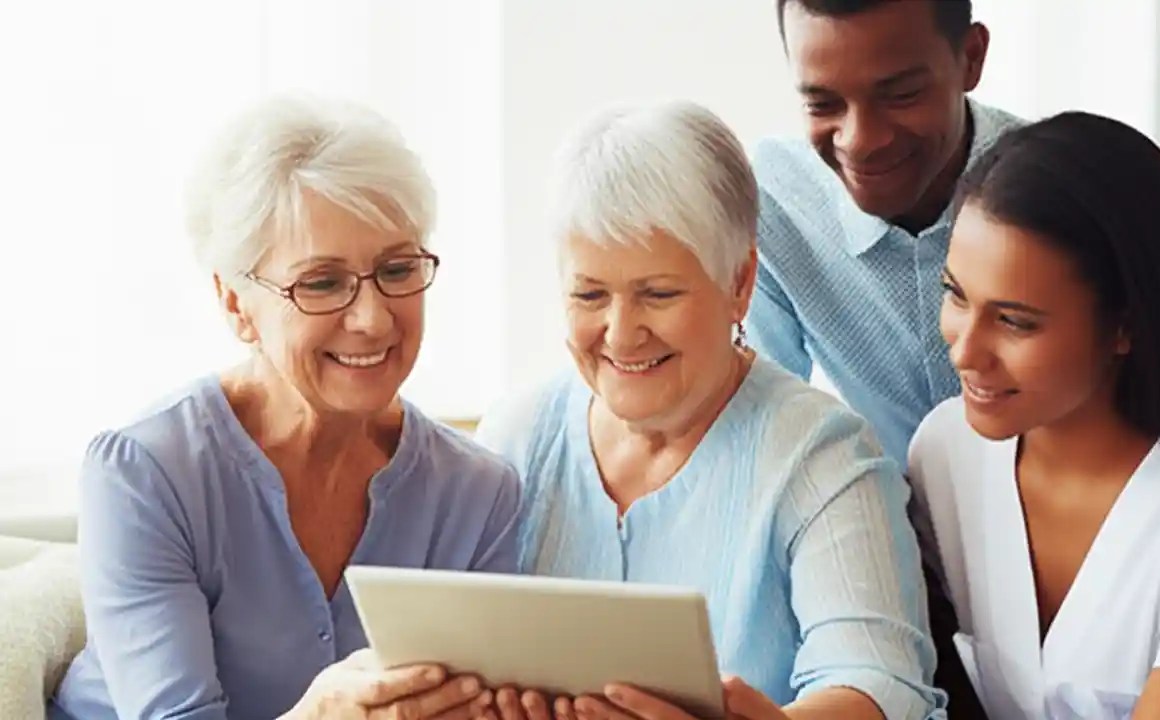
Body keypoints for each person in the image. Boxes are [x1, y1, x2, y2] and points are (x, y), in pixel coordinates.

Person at [50, 96, 519, 720]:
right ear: (236, 305)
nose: (372, 318)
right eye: (322, 282)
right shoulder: (146, 473)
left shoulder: (478, 495)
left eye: (397, 269)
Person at [476, 100, 943, 720]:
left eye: (658, 294)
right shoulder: (518, 435)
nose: (620, 334)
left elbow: (880, 686)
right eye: (589, 294)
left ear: (740, 282)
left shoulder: (822, 455)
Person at [907, 111, 1160, 719]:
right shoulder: (948, 451)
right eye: (956, 295)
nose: (964, 350)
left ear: (1125, 325)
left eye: (1014, 321)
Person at [748, 0, 1022, 470]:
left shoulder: (1068, 196)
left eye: (902, 95)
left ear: (971, 58)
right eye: (822, 104)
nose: (860, 141)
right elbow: (759, 430)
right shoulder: (772, 204)